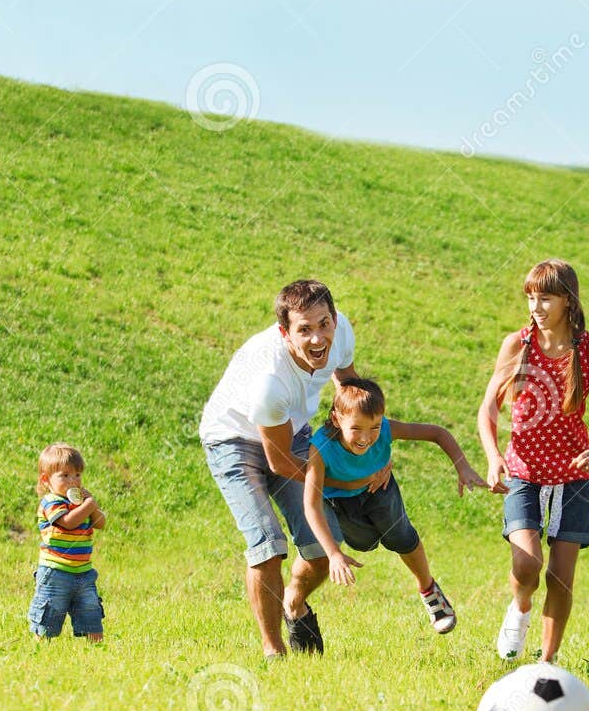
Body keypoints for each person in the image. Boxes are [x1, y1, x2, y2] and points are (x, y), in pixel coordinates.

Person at [199, 279, 373, 658]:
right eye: (304, 330)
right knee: (267, 545)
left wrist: (372, 453)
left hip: (290, 432)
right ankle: (274, 650)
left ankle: (294, 603)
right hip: (233, 439)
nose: (317, 339)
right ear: (285, 332)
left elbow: (351, 392)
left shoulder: (340, 333)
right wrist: (343, 477)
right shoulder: (270, 381)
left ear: (335, 318)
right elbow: (278, 462)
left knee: (322, 549)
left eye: (323, 324)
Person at [477, 259, 589, 664]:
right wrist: (492, 458)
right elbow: (489, 408)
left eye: (546, 298)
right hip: (523, 471)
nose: (536, 307)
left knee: (560, 575)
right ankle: (520, 609)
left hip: (574, 477)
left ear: (568, 302)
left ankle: (547, 661)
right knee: (527, 565)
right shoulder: (516, 344)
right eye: (531, 298)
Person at [301, 376, 487, 633]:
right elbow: (311, 504)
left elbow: (437, 433)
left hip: (381, 490)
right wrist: (333, 553)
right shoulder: (321, 448)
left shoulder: (387, 429)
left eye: (374, 427)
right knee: (363, 544)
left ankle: (429, 590)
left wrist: (462, 466)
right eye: (356, 428)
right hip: (341, 502)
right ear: (336, 419)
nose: (366, 438)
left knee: (401, 537)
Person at [28, 442, 107, 642]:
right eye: (65, 475)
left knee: (92, 613)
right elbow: (69, 523)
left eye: (77, 475)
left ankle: (97, 648)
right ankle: (40, 647)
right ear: (46, 480)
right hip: (55, 572)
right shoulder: (51, 502)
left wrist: (92, 507)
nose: (73, 481)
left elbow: (101, 523)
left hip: (83, 572)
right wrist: (87, 506)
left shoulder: (81, 503)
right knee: (48, 613)